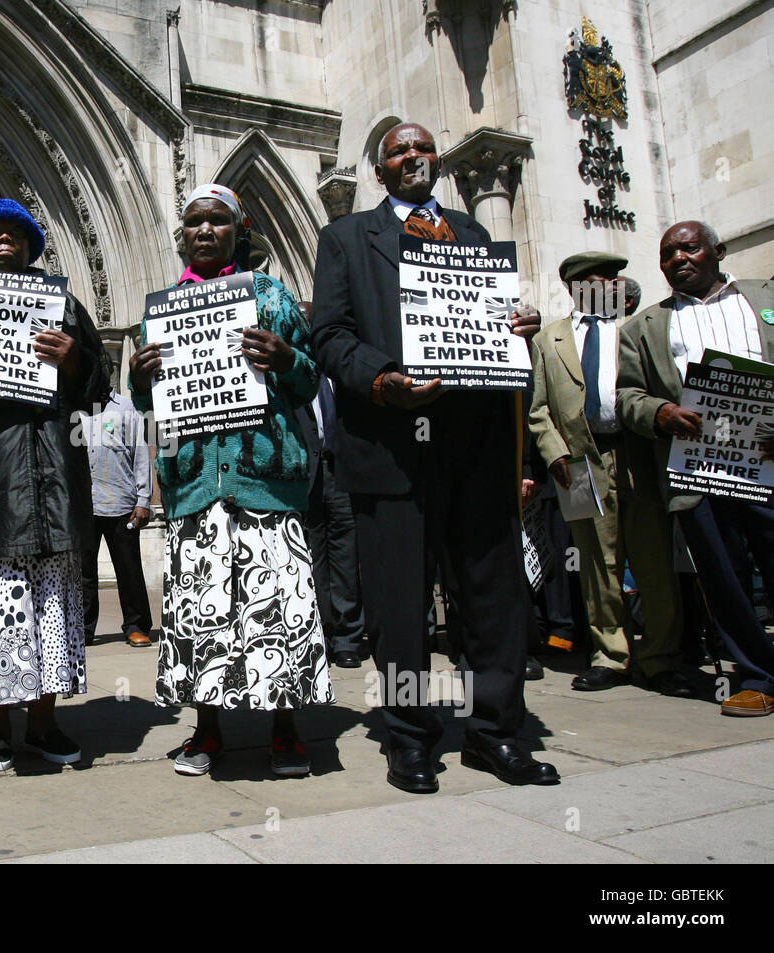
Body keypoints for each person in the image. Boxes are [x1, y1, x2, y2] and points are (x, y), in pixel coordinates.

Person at [310, 122, 559, 792]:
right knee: (398, 608)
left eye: (423, 148)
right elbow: (329, 336)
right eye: (399, 151)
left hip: (475, 445)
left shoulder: (473, 236)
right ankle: (409, 737)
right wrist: (382, 379)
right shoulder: (345, 240)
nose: (414, 157)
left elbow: (494, 324)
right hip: (391, 447)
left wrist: (515, 330)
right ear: (379, 168)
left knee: (492, 599)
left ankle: (495, 733)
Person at [130, 183, 333, 778]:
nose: (205, 230)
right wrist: (141, 380)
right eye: (194, 222)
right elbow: (154, 404)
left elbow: (309, 378)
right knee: (203, 614)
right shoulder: (162, 310)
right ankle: (208, 732)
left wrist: (287, 359)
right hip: (195, 483)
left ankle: (287, 732)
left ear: (239, 232)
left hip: (263, 478)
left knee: (278, 612)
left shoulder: (271, 296)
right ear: (183, 235)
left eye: (218, 221)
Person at [0, 198, 110, 769]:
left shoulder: (60, 302)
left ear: (32, 246)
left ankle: (46, 721)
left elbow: (99, 381)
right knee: (0, 606)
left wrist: (75, 358)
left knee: (53, 604)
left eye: (16, 234)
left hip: (55, 464)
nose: (4, 241)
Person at [617, 220, 774, 716]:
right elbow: (625, 397)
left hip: (768, 461)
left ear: (718, 251)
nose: (678, 260)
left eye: (688, 249)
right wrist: (660, 414)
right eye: (667, 255)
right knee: (723, 578)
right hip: (700, 470)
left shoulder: (763, 298)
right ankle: (757, 676)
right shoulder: (643, 328)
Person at [530, 251, 689, 696]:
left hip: (638, 455)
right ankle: (610, 656)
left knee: (654, 560)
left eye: (613, 280)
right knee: (597, 564)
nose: (610, 288)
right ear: (576, 288)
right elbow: (540, 411)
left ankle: (660, 658)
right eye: (599, 281)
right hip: (579, 465)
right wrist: (555, 454)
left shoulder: (637, 329)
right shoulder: (550, 340)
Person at [292, 319, 366, 668]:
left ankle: (348, 637)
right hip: (304, 478)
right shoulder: (291, 378)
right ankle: (320, 630)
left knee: (346, 557)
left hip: (341, 474)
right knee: (312, 558)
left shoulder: (341, 374)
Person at [79, 378, 155, 648]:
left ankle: (136, 626)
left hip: (121, 502)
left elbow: (141, 453)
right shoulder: (77, 409)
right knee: (83, 571)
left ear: (106, 373)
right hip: (84, 504)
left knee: (129, 568)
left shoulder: (127, 408)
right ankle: (83, 628)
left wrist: (144, 499)